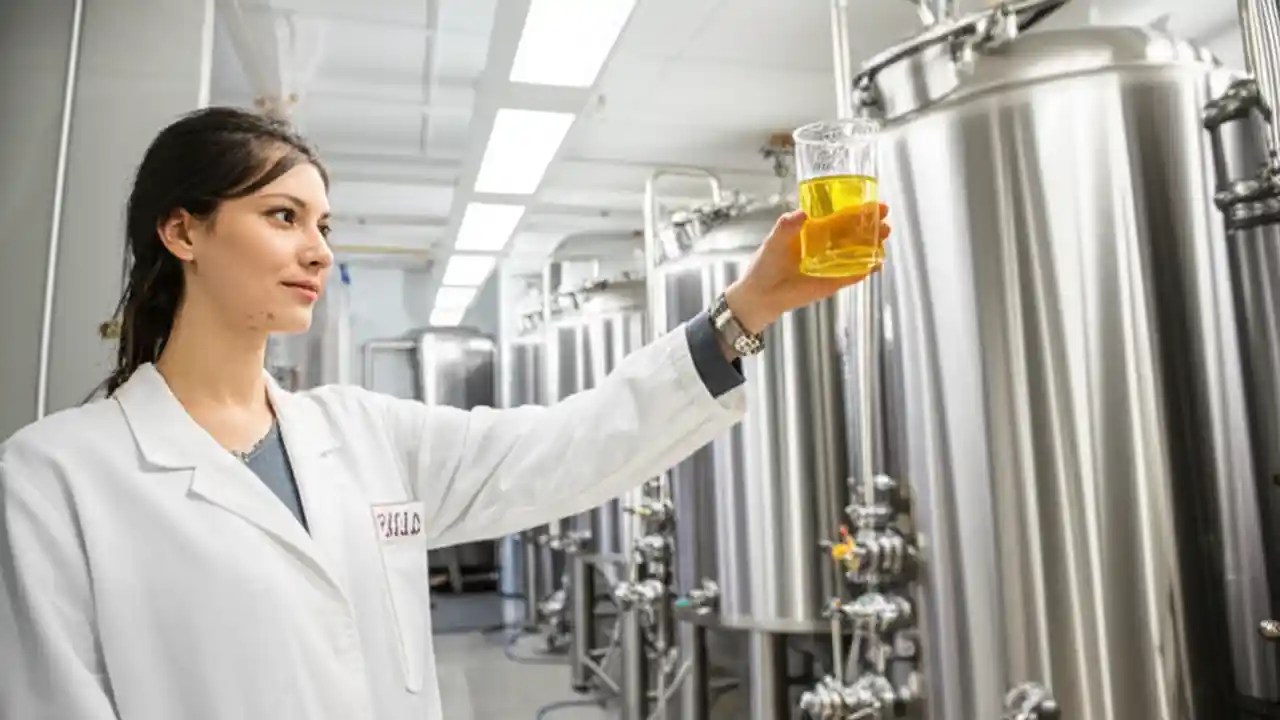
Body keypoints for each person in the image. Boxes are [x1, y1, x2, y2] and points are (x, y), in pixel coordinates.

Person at [0, 107, 889, 720]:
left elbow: (569, 447)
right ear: (182, 231)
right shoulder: (55, 478)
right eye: (282, 215)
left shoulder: (360, 434)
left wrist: (749, 308)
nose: (316, 250)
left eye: (324, 223)